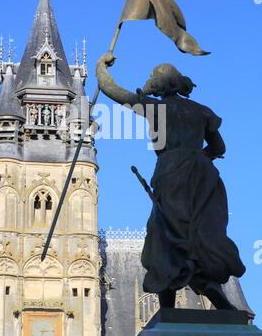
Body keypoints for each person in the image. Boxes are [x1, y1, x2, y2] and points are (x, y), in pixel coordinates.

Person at [96, 53, 246, 310]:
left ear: (159, 85)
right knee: (200, 230)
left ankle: (167, 306)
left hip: (172, 171)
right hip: (204, 176)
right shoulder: (201, 111)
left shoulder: (155, 108)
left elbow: (115, 92)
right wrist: (199, 159)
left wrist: (101, 69)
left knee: (165, 232)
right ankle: (209, 285)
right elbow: (219, 146)